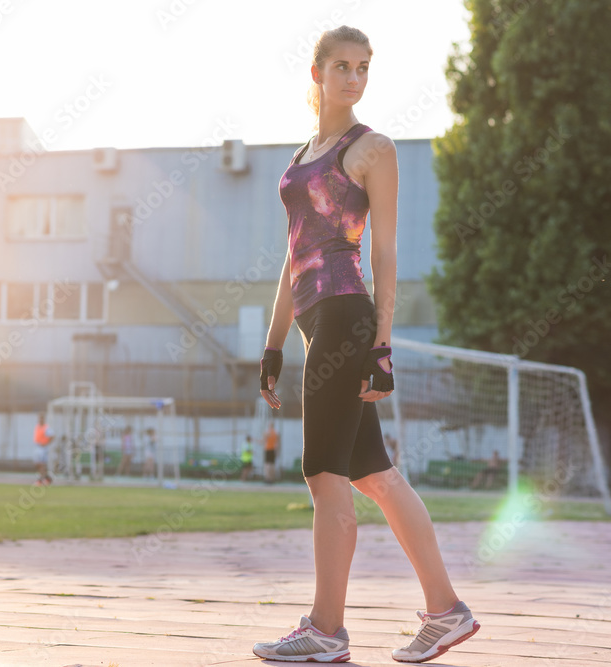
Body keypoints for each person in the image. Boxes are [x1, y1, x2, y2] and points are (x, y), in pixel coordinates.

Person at [254, 26, 479, 664]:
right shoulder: (302, 158)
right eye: (342, 67)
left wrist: (382, 345)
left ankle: (326, 631)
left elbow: (383, 252)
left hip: (348, 319)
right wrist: (273, 346)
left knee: (325, 477)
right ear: (319, 73)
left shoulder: (372, 149)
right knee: (372, 475)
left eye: (364, 67)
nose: (354, 78)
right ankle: (446, 610)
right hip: (312, 320)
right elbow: (292, 258)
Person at [33, 412, 53, 486]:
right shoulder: (37, 426)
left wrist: (46, 443)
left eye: (42, 418)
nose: (40, 420)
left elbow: (52, 436)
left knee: (42, 464)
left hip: (43, 448)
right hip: (37, 446)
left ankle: (41, 480)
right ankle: (47, 478)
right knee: (37, 464)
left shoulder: (46, 427)